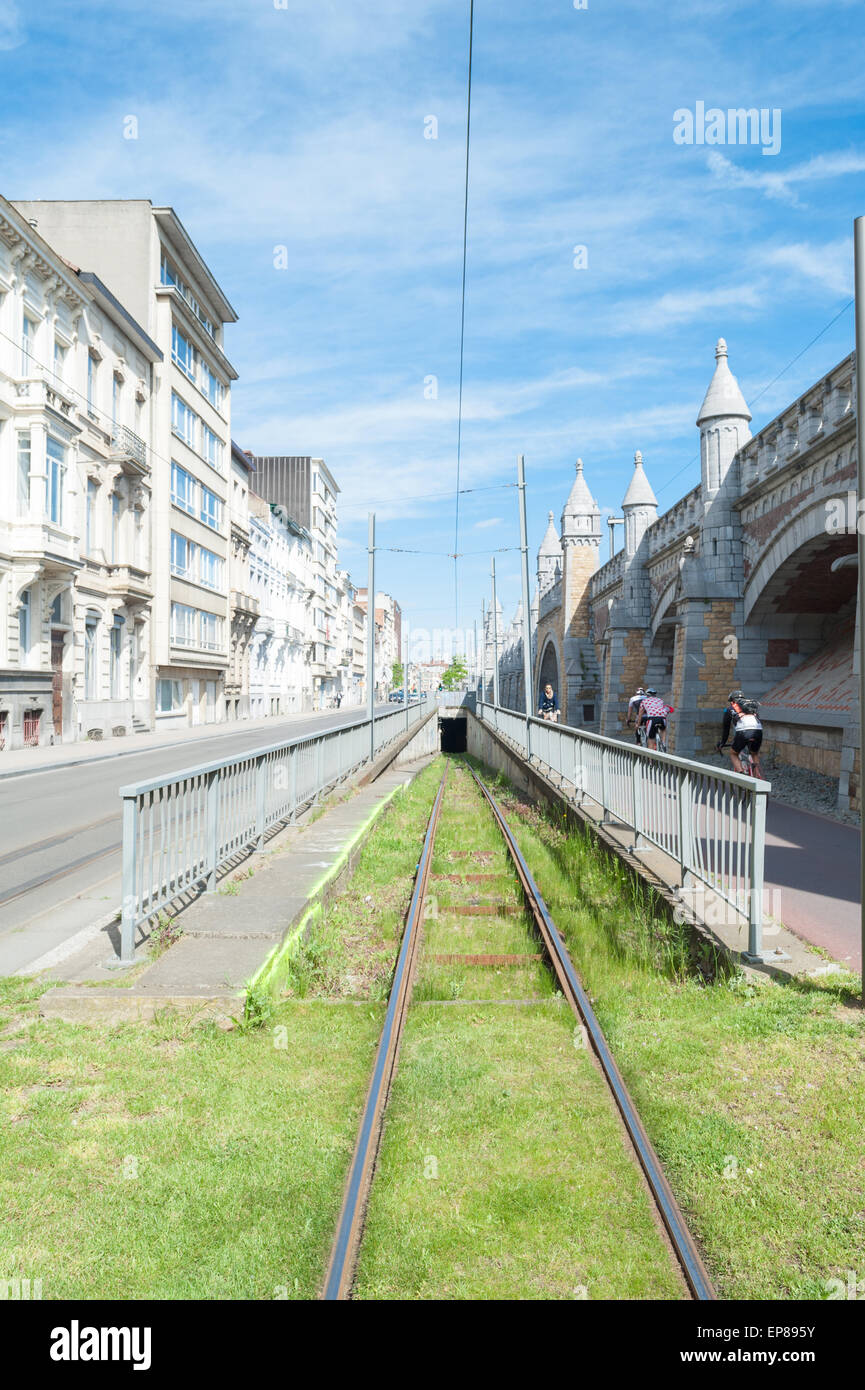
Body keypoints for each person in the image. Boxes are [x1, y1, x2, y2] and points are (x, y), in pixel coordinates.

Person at [719, 691, 764, 778]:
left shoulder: (730, 709)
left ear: (732, 701)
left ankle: (742, 776)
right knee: (754, 753)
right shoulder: (751, 707)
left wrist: (722, 743)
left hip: (743, 732)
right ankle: (757, 777)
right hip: (758, 730)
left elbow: (726, 729)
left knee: (733, 753)